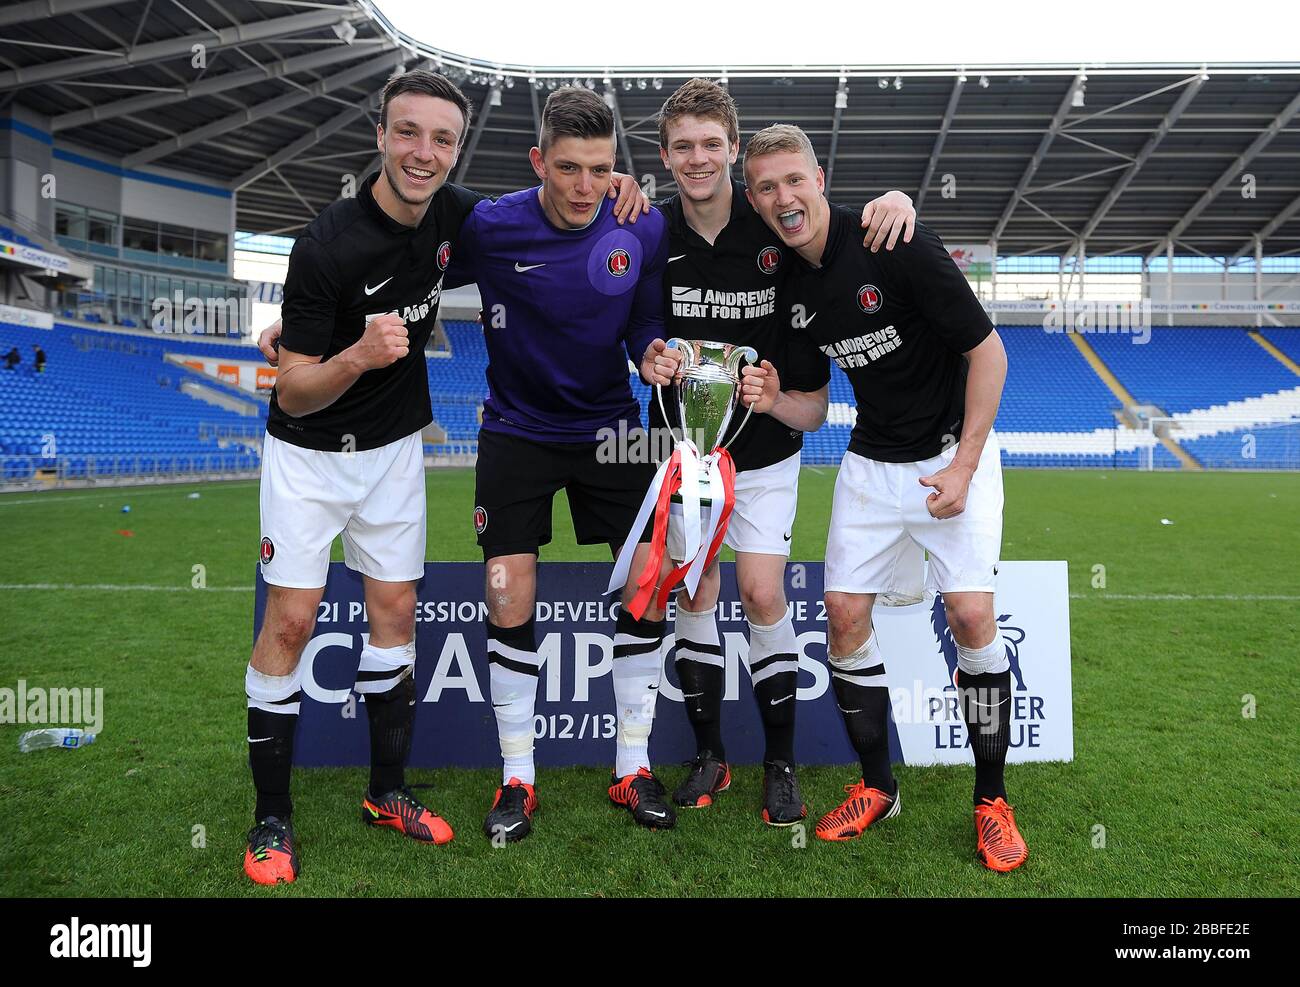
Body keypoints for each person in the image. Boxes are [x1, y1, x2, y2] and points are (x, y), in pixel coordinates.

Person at [244, 69, 648, 885]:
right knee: (290, 623)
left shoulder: (460, 216)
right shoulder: (326, 242)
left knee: (395, 614)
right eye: (408, 134)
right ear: (382, 135)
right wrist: (351, 350)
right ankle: (271, 820)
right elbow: (291, 385)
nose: (423, 153)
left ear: (456, 150)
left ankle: (386, 792)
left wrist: (617, 186)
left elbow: (550, 206)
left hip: (396, 449)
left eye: (441, 139)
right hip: (310, 454)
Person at [741, 124, 1026, 872]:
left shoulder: (896, 238)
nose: (783, 197)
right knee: (842, 615)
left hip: (949, 454)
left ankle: (991, 798)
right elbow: (810, 408)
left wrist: (963, 467)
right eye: (767, 187)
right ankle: (878, 786)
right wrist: (772, 398)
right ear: (754, 198)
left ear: (820, 177)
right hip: (870, 463)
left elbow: (987, 351)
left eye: (794, 180)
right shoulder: (787, 285)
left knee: (969, 615)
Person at [649, 79, 916, 826]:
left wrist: (897, 199)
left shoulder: (777, 229)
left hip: (763, 455)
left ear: (733, 151)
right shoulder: (647, 231)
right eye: (683, 146)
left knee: (763, 594)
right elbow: (611, 298)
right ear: (664, 157)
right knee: (693, 591)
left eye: (712, 144)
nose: (699, 159)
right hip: (681, 450)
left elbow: (832, 221)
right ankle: (709, 754)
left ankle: (780, 761)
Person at [441, 87, 679, 842]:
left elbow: (647, 319)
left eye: (600, 170)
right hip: (516, 429)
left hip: (612, 427)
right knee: (508, 588)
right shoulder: (489, 224)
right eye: (568, 168)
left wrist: (649, 353)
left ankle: (632, 766)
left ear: (617, 168)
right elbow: (412, 264)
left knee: (648, 580)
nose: (584, 187)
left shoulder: (641, 224)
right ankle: (518, 776)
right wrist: (308, 316)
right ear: (539, 160)